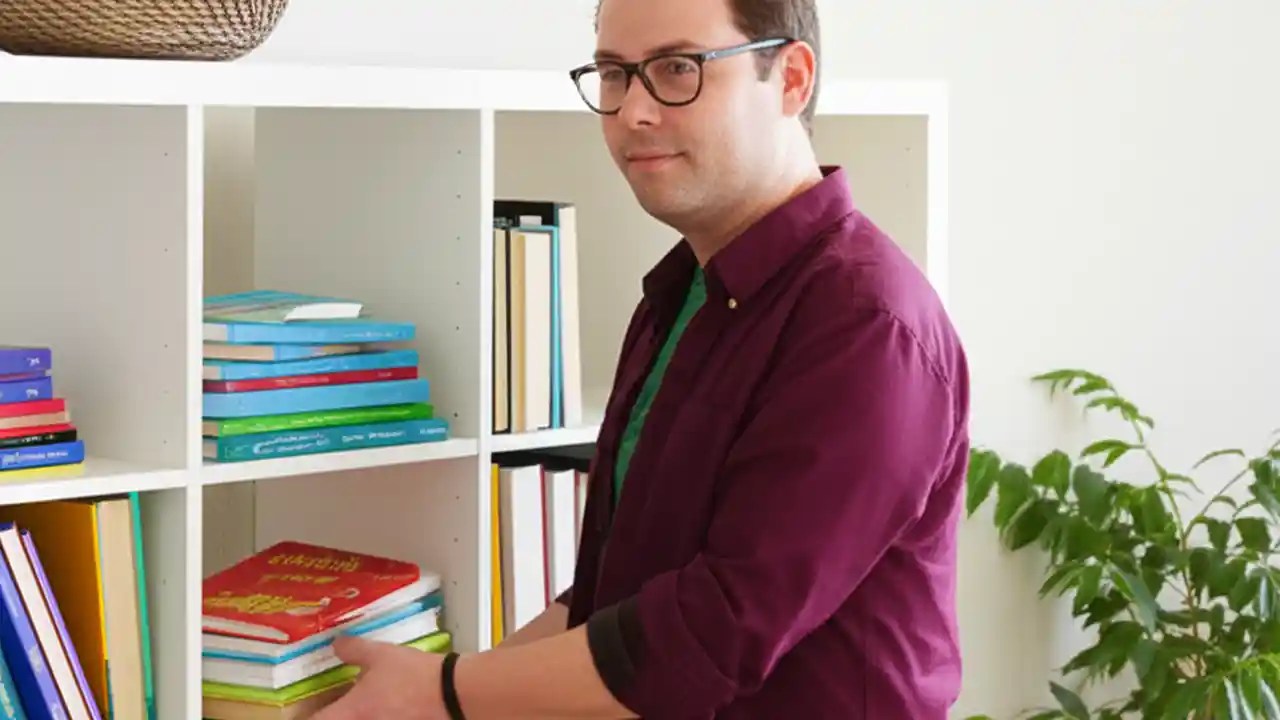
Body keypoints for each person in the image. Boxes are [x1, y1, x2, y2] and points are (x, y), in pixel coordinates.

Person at [312, 0, 969, 716]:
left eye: (677, 69)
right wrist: (421, 694)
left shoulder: (867, 326)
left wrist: (443, 693)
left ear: (790, 78)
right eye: (614, 74)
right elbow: (609, 603)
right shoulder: (681, 296)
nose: (632, 112)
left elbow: (713, 630)